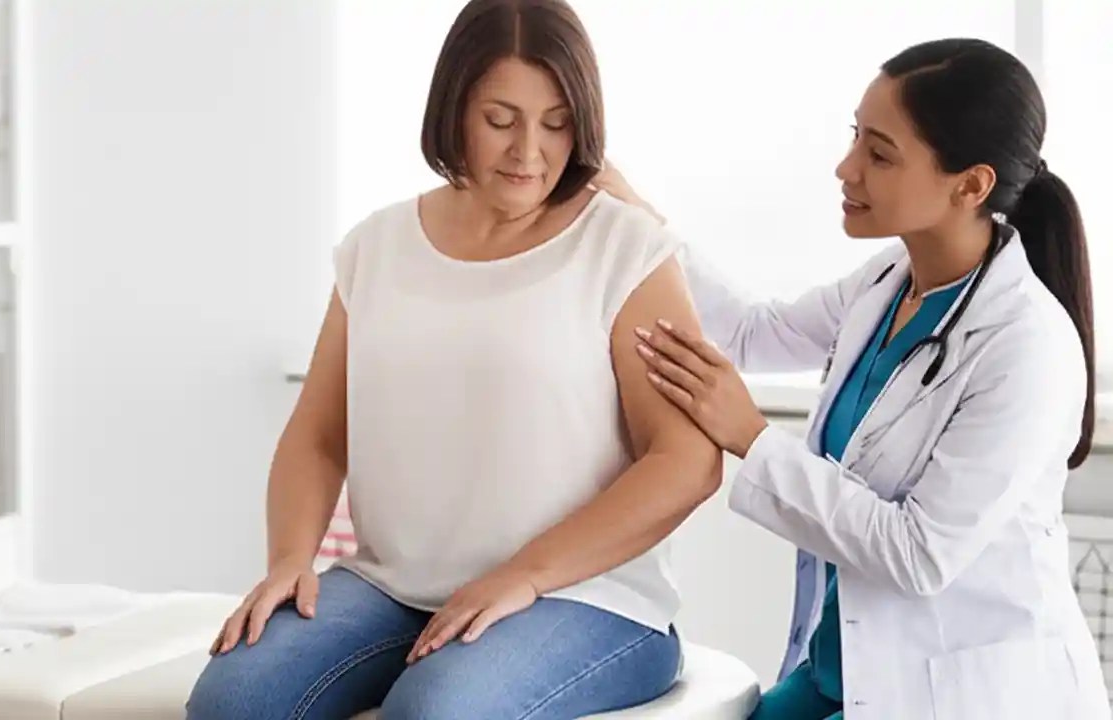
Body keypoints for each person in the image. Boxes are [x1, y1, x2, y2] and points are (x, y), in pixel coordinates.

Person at [185, 1, 722, 718]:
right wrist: (290, 560)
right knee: (235, 699)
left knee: (436, 712)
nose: (529, 151)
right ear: (454, 110)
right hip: (392, 589)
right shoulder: (376, 248)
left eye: (556, 122)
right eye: (501, 120)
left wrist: (526, 575)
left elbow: (688, 459)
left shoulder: (627, 251)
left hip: (586, 598)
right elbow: (317, 436)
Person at [597, 38, 1109, 720]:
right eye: (855, 137)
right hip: (844, 673)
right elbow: (753, 331)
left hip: (964, 695)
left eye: (880, 153)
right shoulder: (889, 283)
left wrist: (751, 436)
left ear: (971, 184)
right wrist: (635, 218)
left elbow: (920, 554)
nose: (847, 168)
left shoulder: (1027, 346)